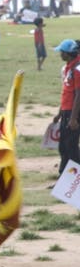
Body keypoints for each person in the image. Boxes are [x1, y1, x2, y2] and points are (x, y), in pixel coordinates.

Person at [53, 38, 80, 174]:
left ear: (68, 53)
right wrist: (59, 113)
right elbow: (67, 93)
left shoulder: (77, 69)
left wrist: (74, 118)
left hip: (73, 113)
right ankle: (63, 178)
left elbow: (78, 94)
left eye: (61, 52)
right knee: (63, 146)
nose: (60, 55)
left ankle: (74, 180)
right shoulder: (69, 67)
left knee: (71, 147)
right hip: (66, 111)